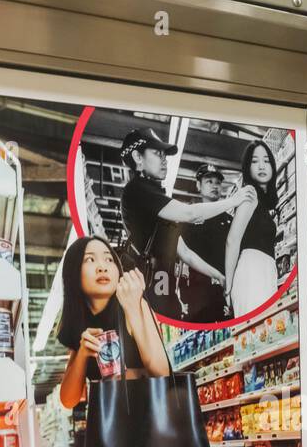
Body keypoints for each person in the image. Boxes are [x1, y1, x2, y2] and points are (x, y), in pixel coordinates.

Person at [57, 235, 171, 447]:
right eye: (90, 259)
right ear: (74, 272)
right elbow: (68, 399)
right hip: (110, 442)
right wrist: (83, 354)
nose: (102, 266)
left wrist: (133, 308)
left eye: (109, 259)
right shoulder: (80, 328)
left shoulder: (136, 304)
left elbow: (161, 373)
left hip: (150, 437)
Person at [118, 128, 254, 320]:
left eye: (164, 154)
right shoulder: (138, 191)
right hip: (150, 295)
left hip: (164, 294)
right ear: (138, 157)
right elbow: (189, 213)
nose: (164, 159)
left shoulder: (154, 196)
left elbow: (186, 254)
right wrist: (234, 200)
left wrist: (219, 276)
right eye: (158, 154)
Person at [226, 140, 280, 318]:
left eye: (266, 160)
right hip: (252, 273)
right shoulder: (250, 194)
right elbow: (232, 241)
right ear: (247, 167)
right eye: (255, 161)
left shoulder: (262, 202)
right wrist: (228, 288)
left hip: (264, 272)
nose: (261, 166)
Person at [178, 163, 232, 323]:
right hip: (196, 296)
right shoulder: (188, 218)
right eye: (209, 181)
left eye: (218, 182)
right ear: (198, 185)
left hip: (224, 293)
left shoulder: (229, 220)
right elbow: (182, 254)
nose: (215, 186)